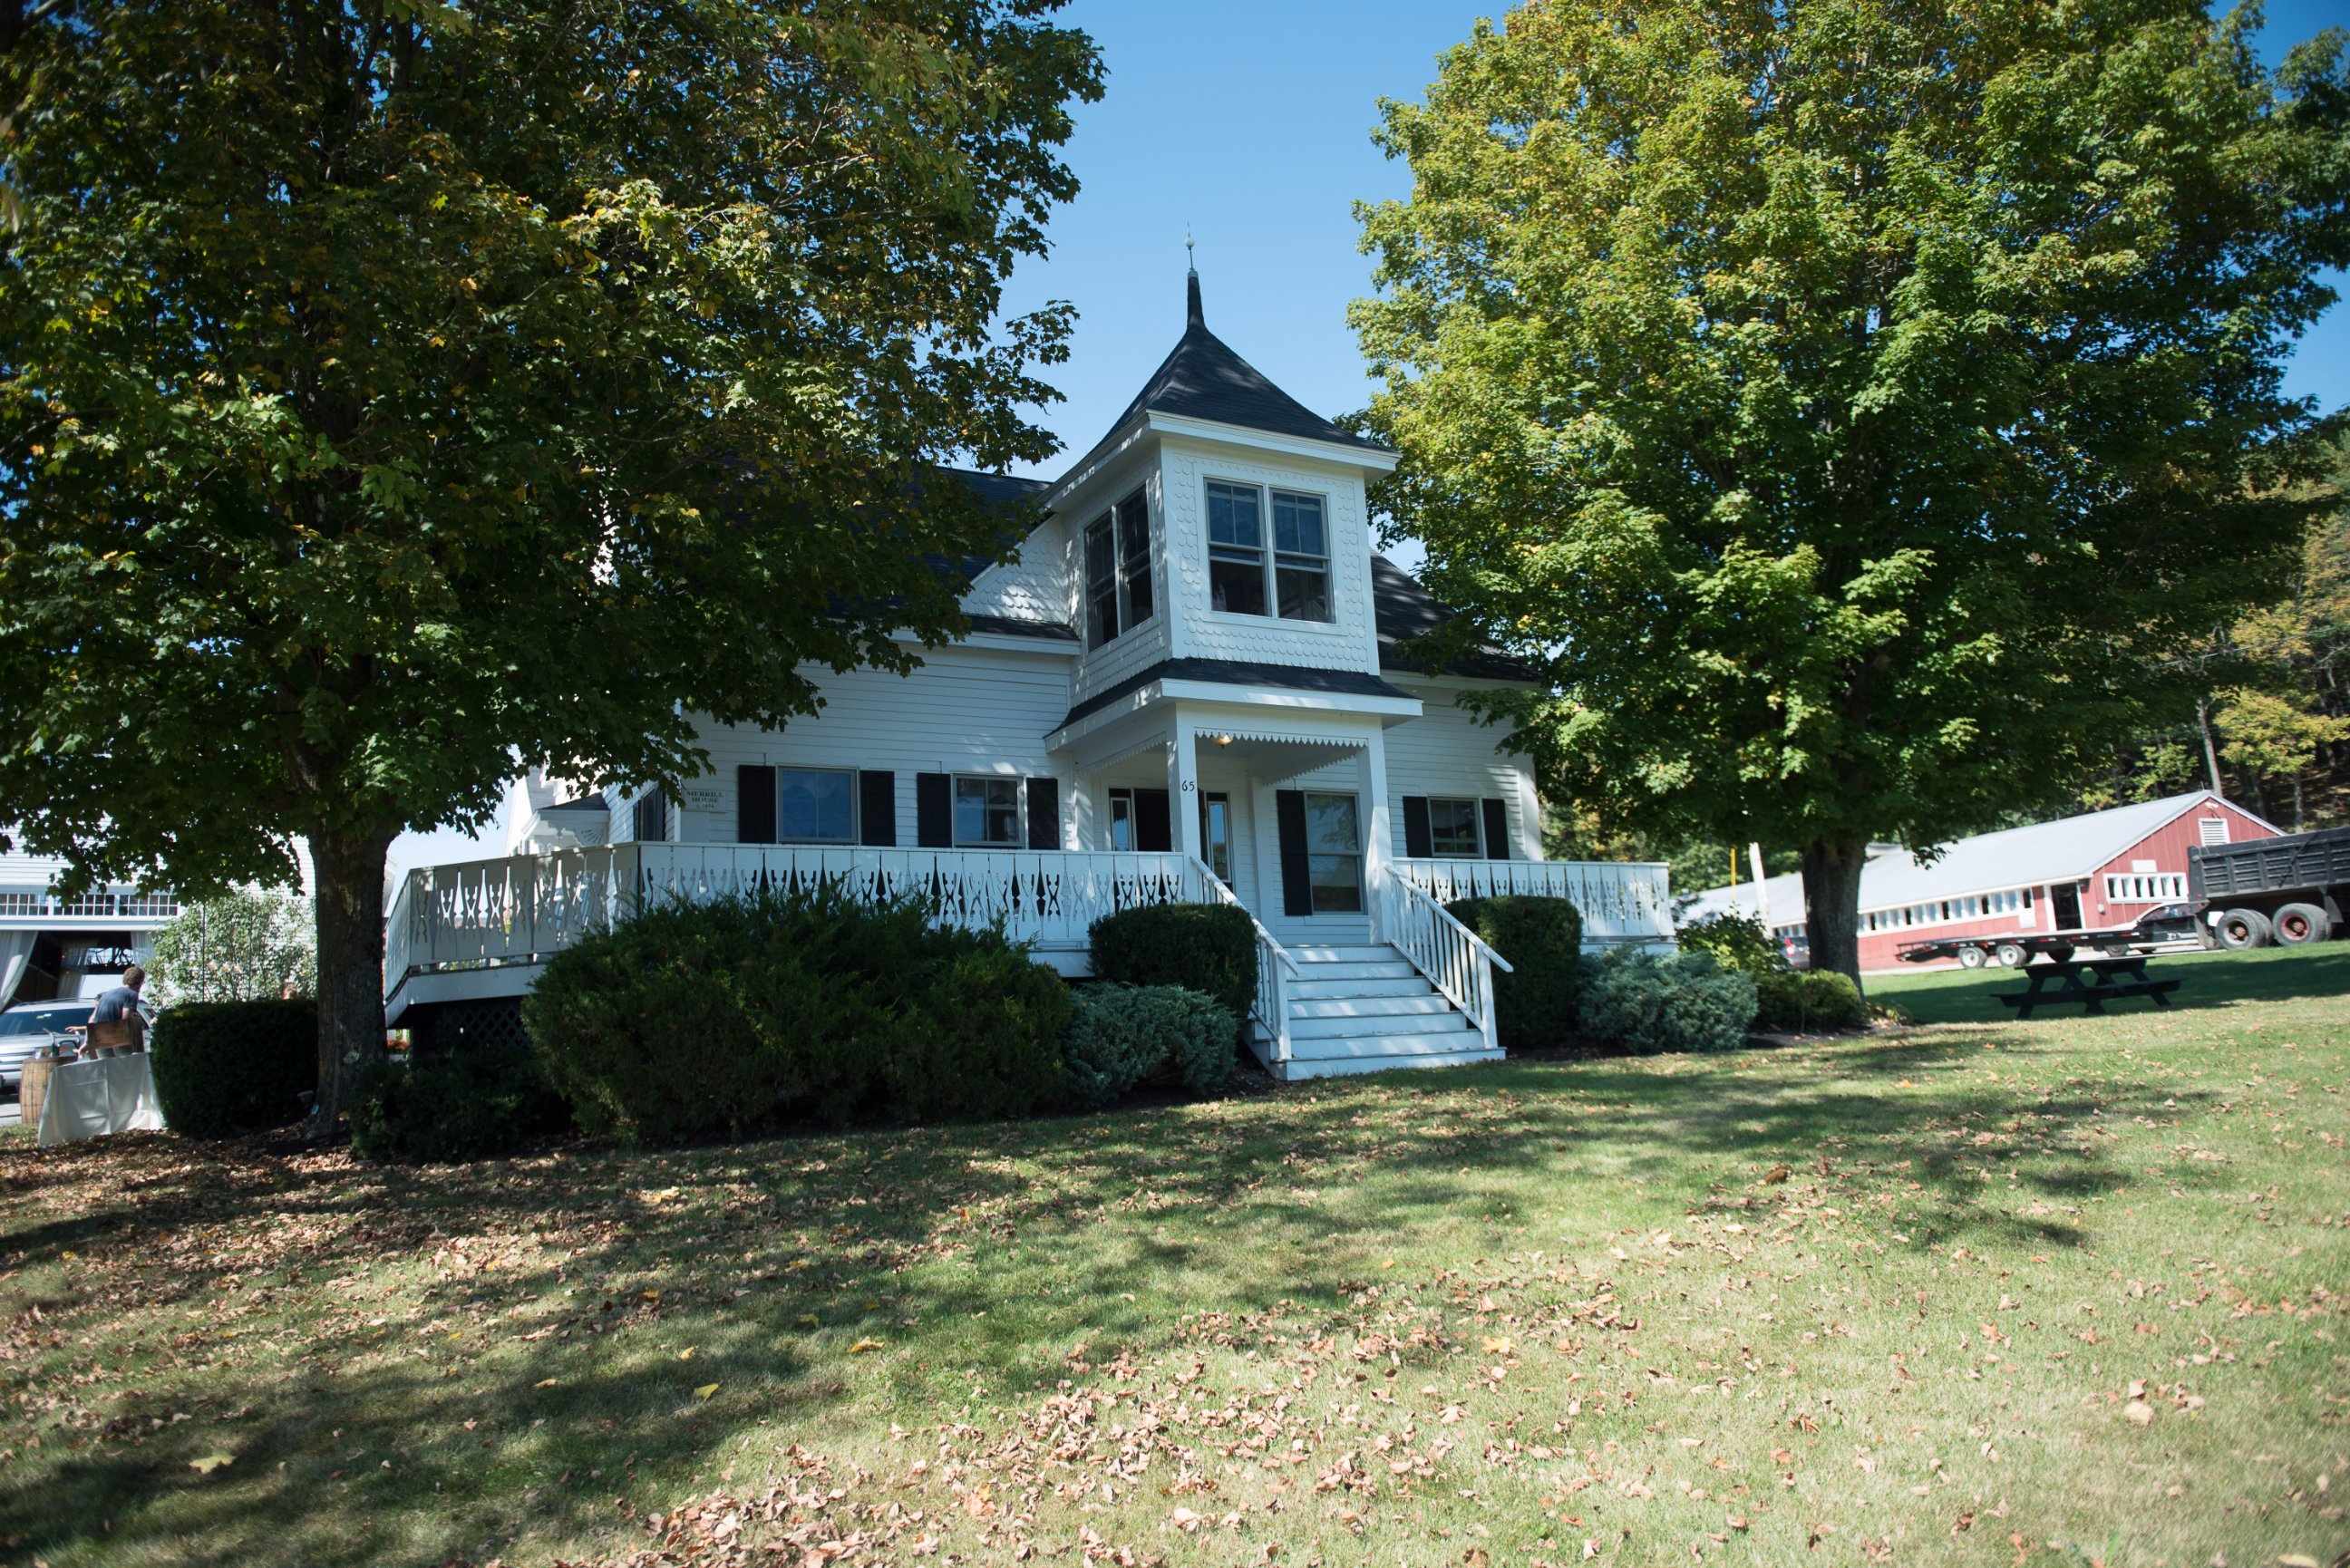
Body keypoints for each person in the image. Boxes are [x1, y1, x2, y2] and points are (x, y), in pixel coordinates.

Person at [87, 965, 150, 1054]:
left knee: (106, 1063)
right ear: (140, 981)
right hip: (119, 1036)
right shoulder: (132, 994)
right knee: (126, 1062)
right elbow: (126, 1019)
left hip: (100, 1037)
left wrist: (87, 1041)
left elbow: (92, 1019)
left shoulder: (105, 995)